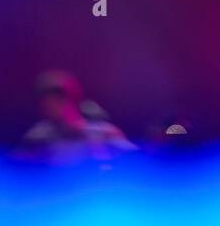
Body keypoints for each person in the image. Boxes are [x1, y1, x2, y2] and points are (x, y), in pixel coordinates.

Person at [11, 69, 139, 167]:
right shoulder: (39, 136)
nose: (52, 106)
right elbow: (19, 165)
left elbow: (133, 158)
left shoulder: (102, 132)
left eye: (59, 99)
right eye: (47, 102)